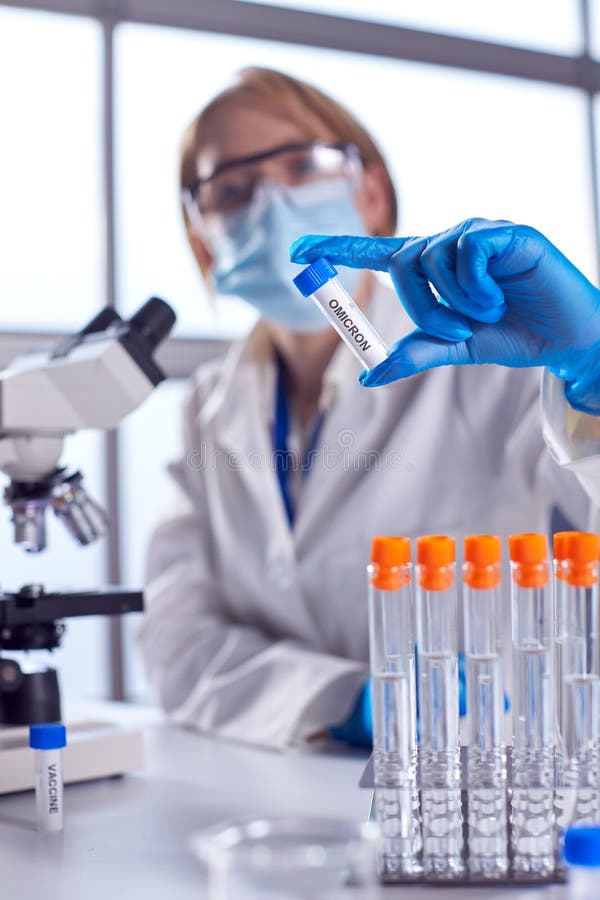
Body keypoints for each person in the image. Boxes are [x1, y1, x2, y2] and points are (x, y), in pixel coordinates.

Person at [139, 68, 593, 751]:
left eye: (301, 164)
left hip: (480, 767)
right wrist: (345, 698)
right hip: (282, 783)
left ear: (371, 192)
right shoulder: (210, 403)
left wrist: (592, 374)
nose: (271, 202)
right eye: (230, 190)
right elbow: (176, 639)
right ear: (202, 238)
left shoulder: (488, 364)